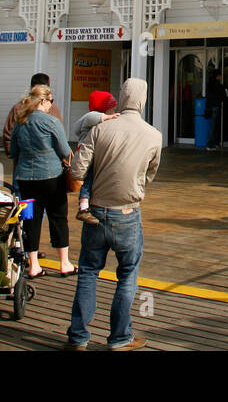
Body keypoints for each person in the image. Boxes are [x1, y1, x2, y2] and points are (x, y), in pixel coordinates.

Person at [64, 78, 161, 351]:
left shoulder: (100, 129)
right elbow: (150, 174)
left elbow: (78, 171)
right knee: (128, 273)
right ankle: (120, 337)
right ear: (142, 100)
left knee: (88, 272)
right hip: (127, 212)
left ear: (121, 97)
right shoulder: (154, 135)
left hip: (95, 210)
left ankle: (78, 336)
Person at [9, 85, 75, 278]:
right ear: (43, 101)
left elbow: (13, 151)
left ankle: (34, 264)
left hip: (26, 178)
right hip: (51, 176)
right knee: (58, 217)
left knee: (31, 219)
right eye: (51, 101)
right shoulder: (51, 122)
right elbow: (64, 150)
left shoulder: (20, 122)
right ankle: (64, 263)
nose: (51, 105)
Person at [71, 90, 119, 224]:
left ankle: (87, 206)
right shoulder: (91, 117)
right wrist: (111, 117)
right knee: (88, 180)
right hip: (87, 157)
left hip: (91, 155)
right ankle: (83, 208)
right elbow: (94, 117)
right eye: (111, 107)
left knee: (91, 180)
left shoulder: (90, 120)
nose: (114, 110)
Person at [1, 72, 62, 153]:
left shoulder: (53, 109)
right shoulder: (19, 108)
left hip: (25, 160)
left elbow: (8, 135)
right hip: (46, 161)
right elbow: (8, 135)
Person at [204, 68, 228, 150]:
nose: (221, 77)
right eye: (220, 76)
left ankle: (213, 143)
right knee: (214, 126)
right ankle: (210, 144)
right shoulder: (218, 85)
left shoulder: (209, 84)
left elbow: (208, 96)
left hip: (210, 106)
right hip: (216, 106)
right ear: (217, 76)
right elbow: (223, 96)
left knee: (213, 126)